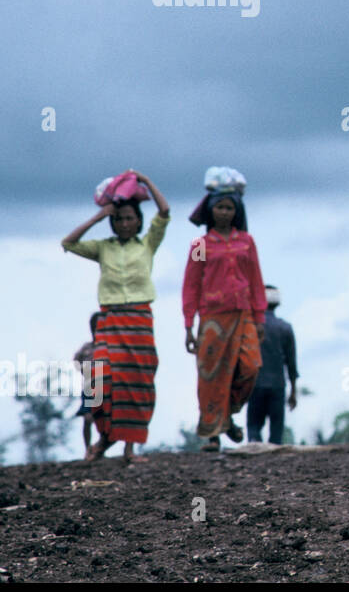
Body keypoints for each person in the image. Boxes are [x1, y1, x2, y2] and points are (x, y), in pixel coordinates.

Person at [61, 170, 170, 463]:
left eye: (129, 218)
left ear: (138, 221)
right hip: (110, 322)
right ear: (113, 221)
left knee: (137, 383)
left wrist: (146, 181)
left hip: (139, 322)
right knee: (103, 378)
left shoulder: (147, 245)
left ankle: (130, 449)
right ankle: (104, 439)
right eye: (119, 219)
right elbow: (68, 243)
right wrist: (98, 217)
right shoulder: (103, 248)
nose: (124, 223)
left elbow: (165, 211)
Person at [182, 183, 265, 451]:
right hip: (212, 318)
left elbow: (255, 280)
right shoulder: (200, 245)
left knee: (251, 367)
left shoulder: (247, 242)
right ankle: (212, 434)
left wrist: (260, 317)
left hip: (243, 313)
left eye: (229, 207)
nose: (224, 212)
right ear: (210, 210)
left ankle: (226, 414)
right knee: (211, 375)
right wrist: (188, 324)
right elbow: (191, 284)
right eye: (220, 207)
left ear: (236, 210)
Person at [246, 285, 298, 443]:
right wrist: (293, 391)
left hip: (255, 384)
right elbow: (291, 363)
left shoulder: (250, 327)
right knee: (276, 433)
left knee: (253, 428)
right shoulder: (285, 328)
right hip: (278, 385)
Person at [74, 317, 101, 454]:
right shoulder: (87, 347)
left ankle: (99, 448)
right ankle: (88, 448)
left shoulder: (106, 348)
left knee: (103, 418)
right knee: (88, 418)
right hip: (90, 384)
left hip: (103, 385)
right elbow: (76, 359)